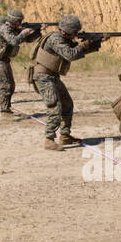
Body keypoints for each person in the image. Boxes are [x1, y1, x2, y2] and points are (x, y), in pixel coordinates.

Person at [33, 15, 98, 151]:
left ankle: (65, 135)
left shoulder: (63, 39)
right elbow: (70, 54)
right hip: (44, 76)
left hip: (52, 76)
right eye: (74, 32)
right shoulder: (56, 39)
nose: (76, 35)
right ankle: (49, 139)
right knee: (54, 106)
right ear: (67, 30)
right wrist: (84, 44)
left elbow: (77, 51)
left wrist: (94, 44)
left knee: (67, 104)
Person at [0, 9, 38, 115]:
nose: (20, 23)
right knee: (5, 86)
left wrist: (37, 31)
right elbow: (14, 41)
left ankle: (6, 107)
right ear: (15, 21)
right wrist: (24, 33)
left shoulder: (12, 30)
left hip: (4, 61)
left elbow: (28, 39)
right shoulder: (5, 29)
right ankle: (4, 110)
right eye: (19, 21)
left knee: (11, 85)